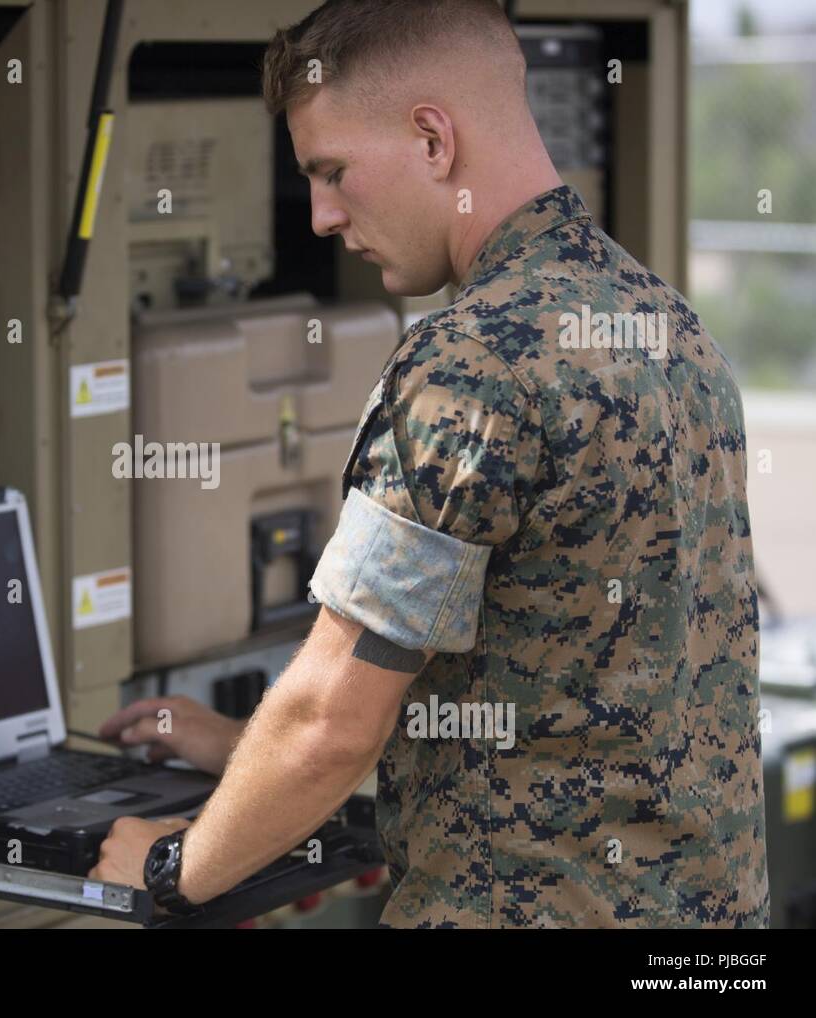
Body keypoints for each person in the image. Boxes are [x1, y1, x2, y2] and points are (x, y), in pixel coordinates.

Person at [90, 0, 768, 927]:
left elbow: (334, 721)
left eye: (332, 172)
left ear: (431, 139)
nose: (323, 215)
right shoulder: (662, 321)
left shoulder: (471, 361)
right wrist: (248, 749)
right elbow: (560, 679)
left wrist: (171, 869)